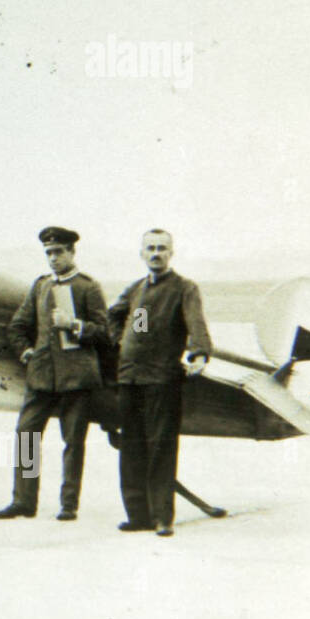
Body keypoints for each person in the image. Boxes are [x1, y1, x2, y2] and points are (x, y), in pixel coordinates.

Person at [0, 226, 109, 522]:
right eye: (49, 253)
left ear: (72, 252)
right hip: (41, 376)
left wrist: (75, 325)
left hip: (76, 377)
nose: (53, 258)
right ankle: (23, 501)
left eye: (58, 252)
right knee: (27, 435)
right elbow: (18, 326)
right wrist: (26, 352)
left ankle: (68, 505)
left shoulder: (88, 287)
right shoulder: (40, 286)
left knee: (73, 442)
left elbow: (106, 332)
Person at [107, 228, 212, 537]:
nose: (156, 253)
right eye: (150, 248)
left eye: (162, 248)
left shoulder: (184, 288)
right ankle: (138, 515)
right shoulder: (137, 290)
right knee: (132, 448)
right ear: (142, 253)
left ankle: (162, 517)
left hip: (162, 380)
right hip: (130, 379)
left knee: (161, 449)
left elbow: (196, 323)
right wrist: (121, 342)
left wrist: (200, 353)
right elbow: (122, 318)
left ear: (171, 253)